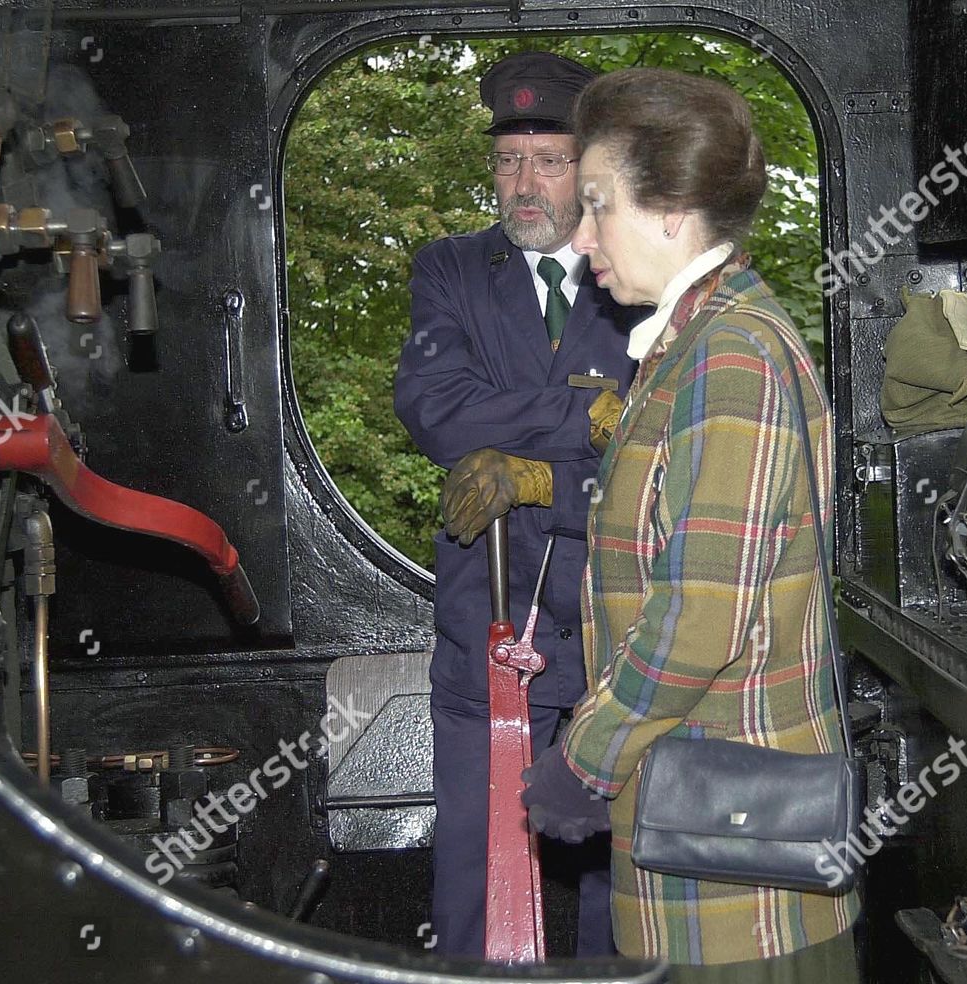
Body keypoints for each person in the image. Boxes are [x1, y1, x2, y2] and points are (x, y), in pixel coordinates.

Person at [519, 68, 861, 981]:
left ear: (671, 210)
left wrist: (582, 762)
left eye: (598, 204)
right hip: (698, 838)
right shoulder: (689, 346)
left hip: (739, 887)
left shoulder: (731, 357)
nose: (578, 234)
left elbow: (700, 619)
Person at [393, 50, 637, 958]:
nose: (524, 184)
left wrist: (534, 467)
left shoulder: (637, 273)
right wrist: (586, 416)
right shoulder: (452, 269)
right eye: (508, 161)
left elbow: (662, 466)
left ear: (592, 168)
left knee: (625, 881)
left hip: (619, 617)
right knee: (476, 870)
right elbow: (435, 409)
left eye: (549, 160)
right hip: (487, 618)